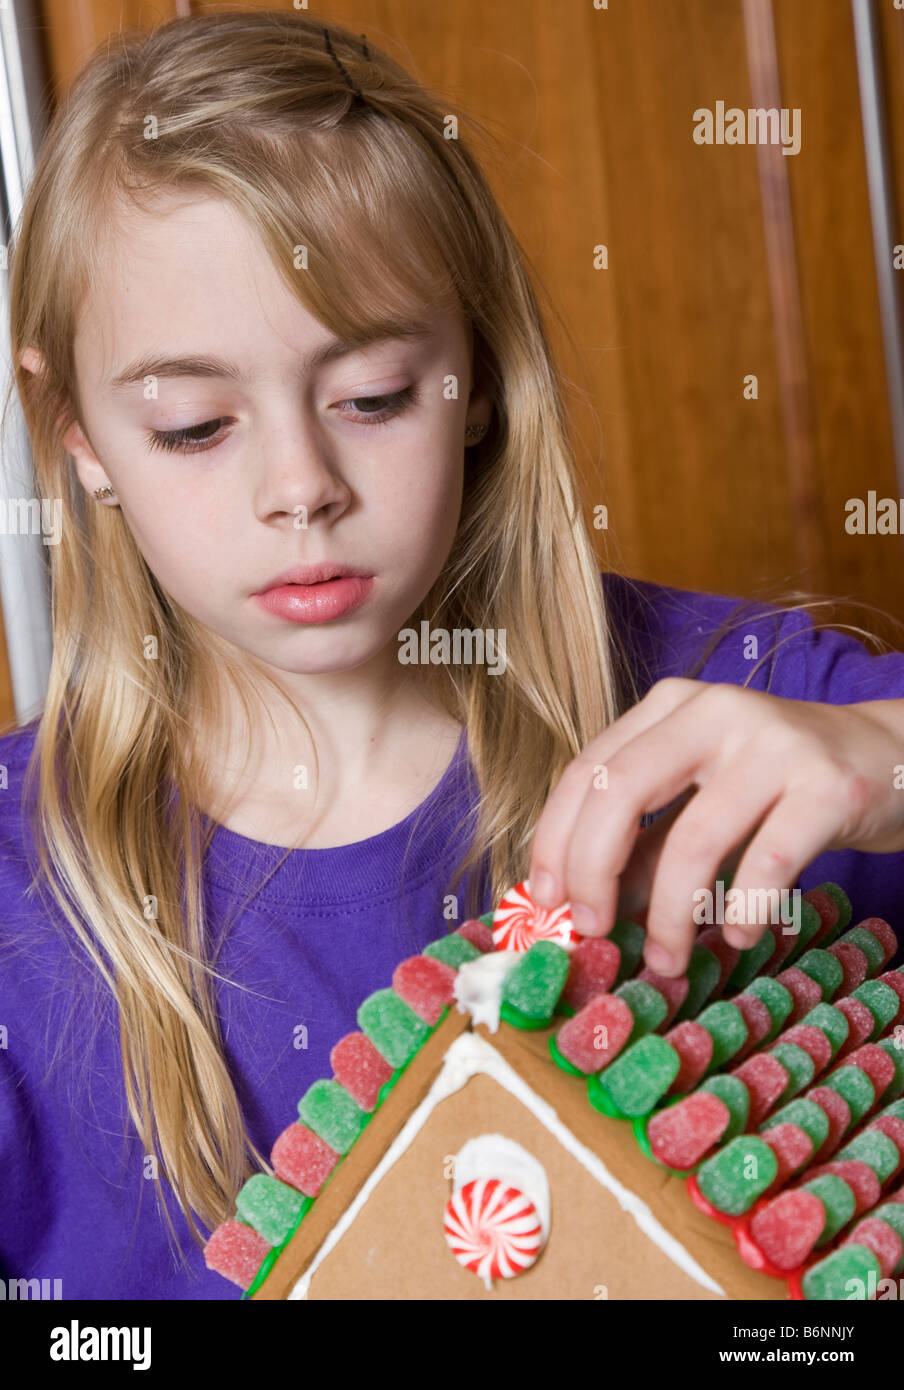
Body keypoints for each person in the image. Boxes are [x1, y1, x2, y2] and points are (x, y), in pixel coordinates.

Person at [1, 10, 902, 1300]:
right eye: (195, 425)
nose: (300, 487)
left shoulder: (732, 701)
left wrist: (878, 758)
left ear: (474, 373)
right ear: (75, 429)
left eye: (370, 396)